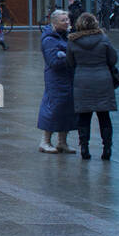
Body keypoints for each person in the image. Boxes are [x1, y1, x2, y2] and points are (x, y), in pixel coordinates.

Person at [66, 12, 118, 161]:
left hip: (82, 80)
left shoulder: (73, 41)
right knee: (104, 116)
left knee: (84, 116)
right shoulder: (103, 39)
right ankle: (107, 148)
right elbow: (113, 59)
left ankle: (84, 148)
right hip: (103, 80)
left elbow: (70, 62)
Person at [37, 10, 77, 154]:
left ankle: (62, 142)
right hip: (56, 79)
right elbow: (54, 61)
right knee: (54, 108)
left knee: (67, 108)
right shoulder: (49, 39)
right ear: (54, 23)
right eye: (63, 20)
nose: (67, 22)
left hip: (68, 78)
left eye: (67, 19)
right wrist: (70, 58)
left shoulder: (66, 36)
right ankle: (45, 141)